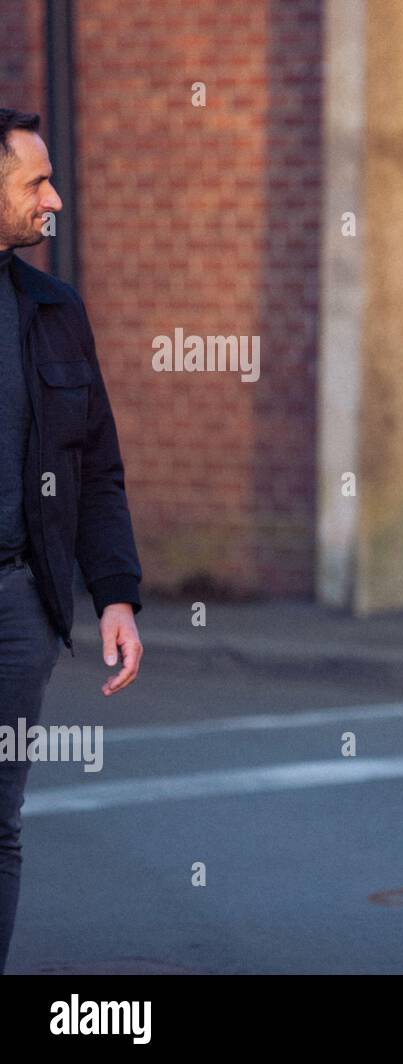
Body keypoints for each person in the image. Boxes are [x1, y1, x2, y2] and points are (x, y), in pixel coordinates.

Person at [0, 109, 144, 973]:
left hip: (20, 602)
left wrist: (115, 594)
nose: (54, 199)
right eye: (34, 184)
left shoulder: (54, 311)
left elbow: (97, 467)